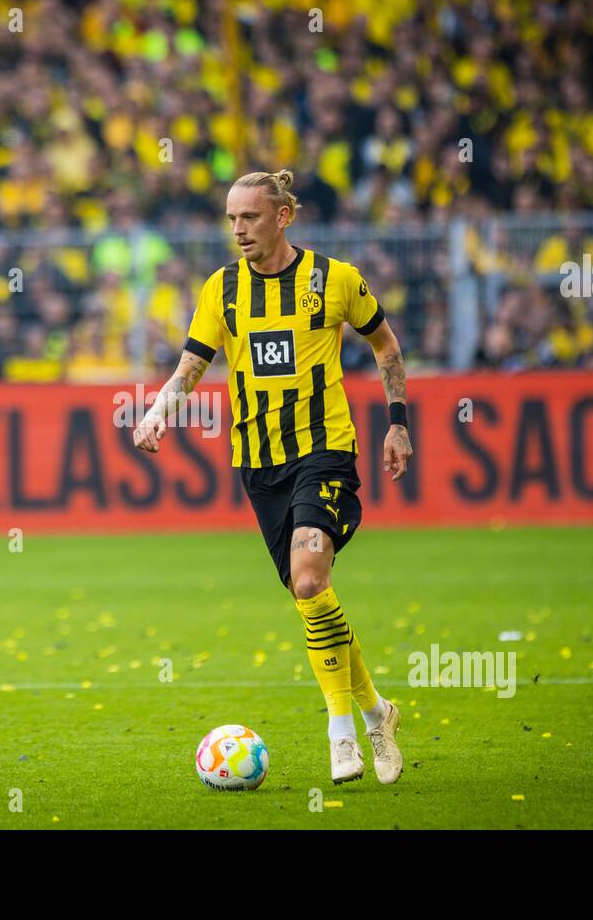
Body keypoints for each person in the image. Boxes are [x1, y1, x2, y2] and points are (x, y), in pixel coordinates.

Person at [133, 170, 413, 785]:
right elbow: (193, 363)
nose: (238, 230)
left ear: (283, 217)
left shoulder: (335, 279)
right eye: (231, 219)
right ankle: (376, 712)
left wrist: (397, 425)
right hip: (259, 464)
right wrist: (157, 412)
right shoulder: (222, 289)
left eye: (250, 218)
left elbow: (386, 347)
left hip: (325, 450)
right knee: (312, 597)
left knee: (311, 577)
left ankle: (341, 733)